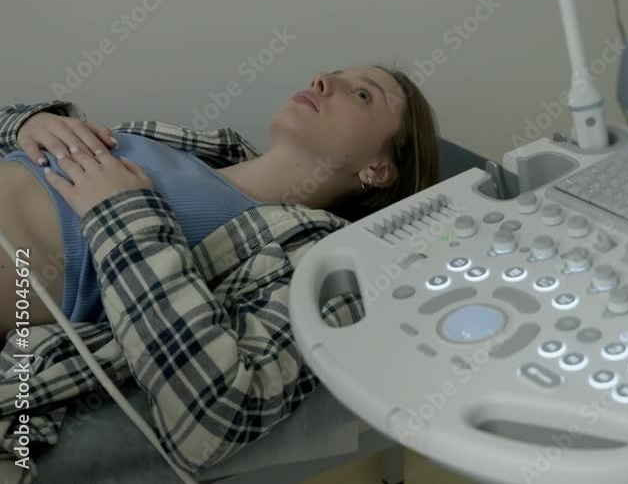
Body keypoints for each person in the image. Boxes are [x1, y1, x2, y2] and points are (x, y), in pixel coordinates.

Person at [0, 65, 440, 474]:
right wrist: (28, 123)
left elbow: (216, 417)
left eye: (363, 95)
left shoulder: (317, 258)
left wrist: (122, 212)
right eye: (335, 74)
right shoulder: (204, 147)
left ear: (378, 170)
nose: (323, 78)